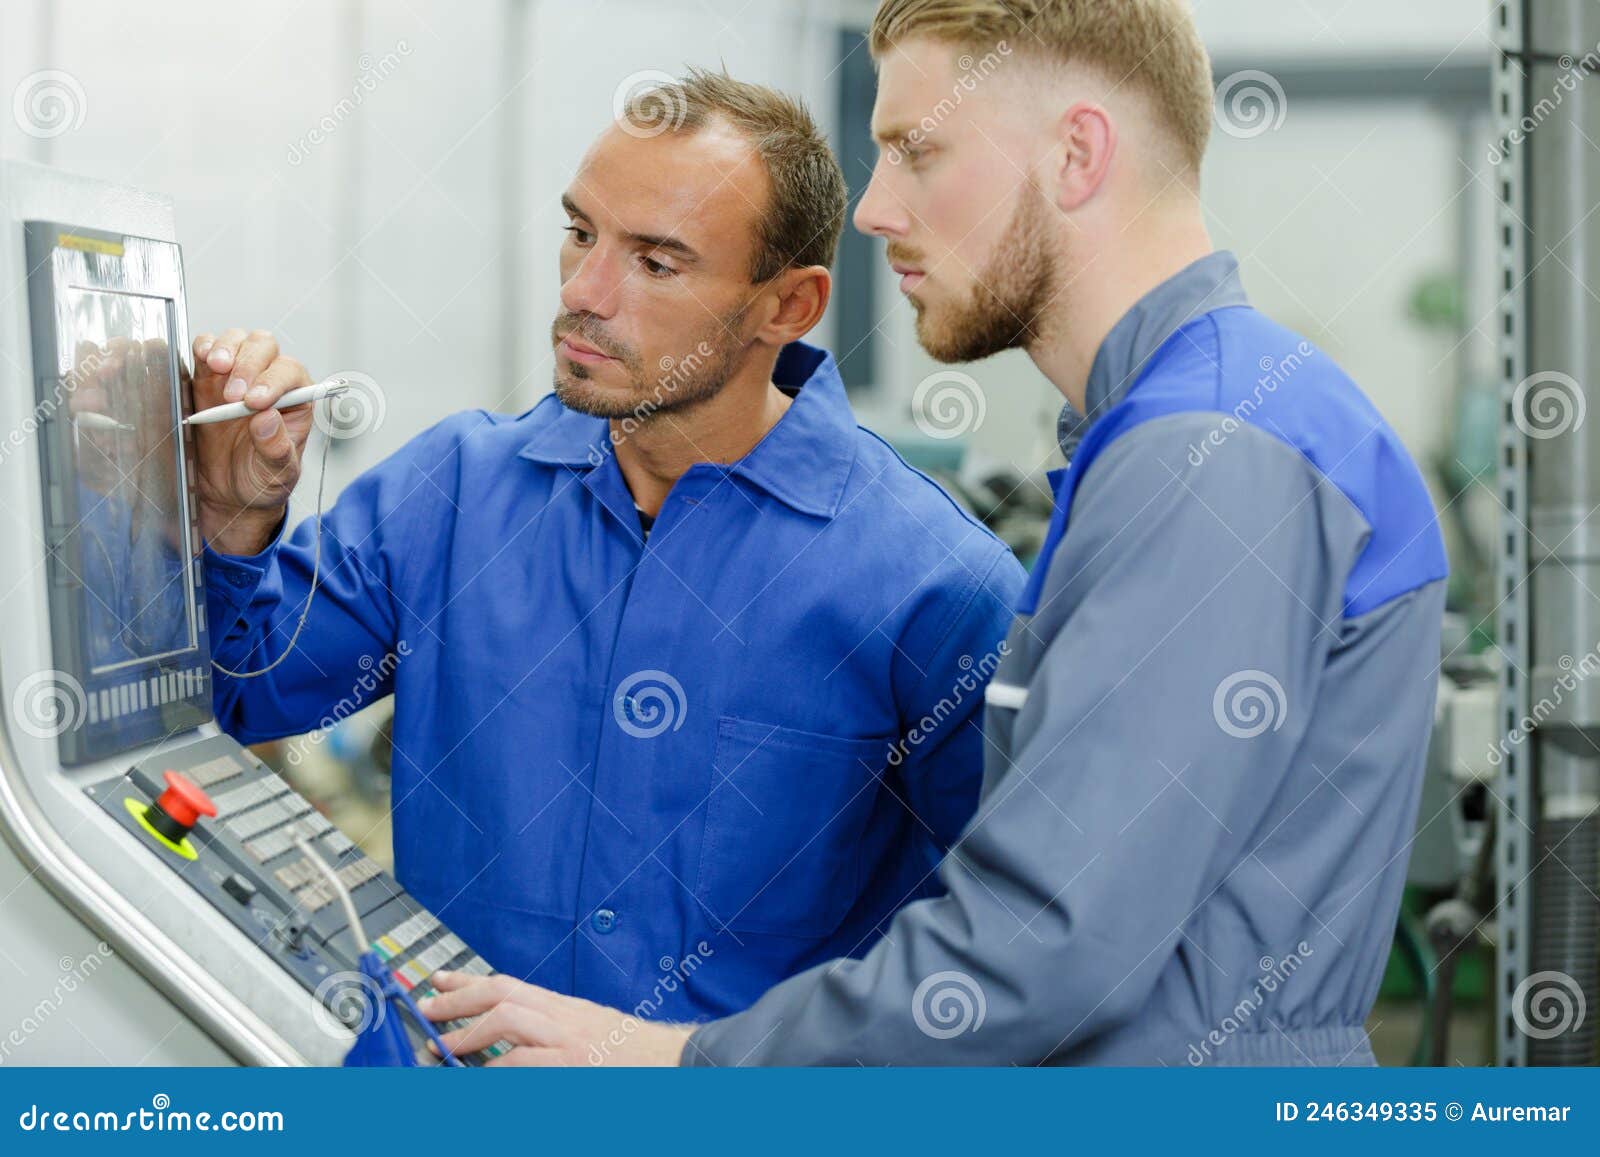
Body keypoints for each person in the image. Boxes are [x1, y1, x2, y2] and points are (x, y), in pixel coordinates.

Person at [417, 0, 1447, 1066]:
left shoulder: (1210, 450)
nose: (874, 208)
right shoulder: (1181, 425)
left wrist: (675, 1060)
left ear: (1076, 153)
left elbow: (1042, 943)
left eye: (917, 151)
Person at [192, 70, 1023, 1021]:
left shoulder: (936, 584)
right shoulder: (453, 494)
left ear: (787, 307)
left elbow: (1000, 958)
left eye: (656, 262)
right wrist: (232, 517)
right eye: (581, 233)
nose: (583, 293)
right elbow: (245, 687)